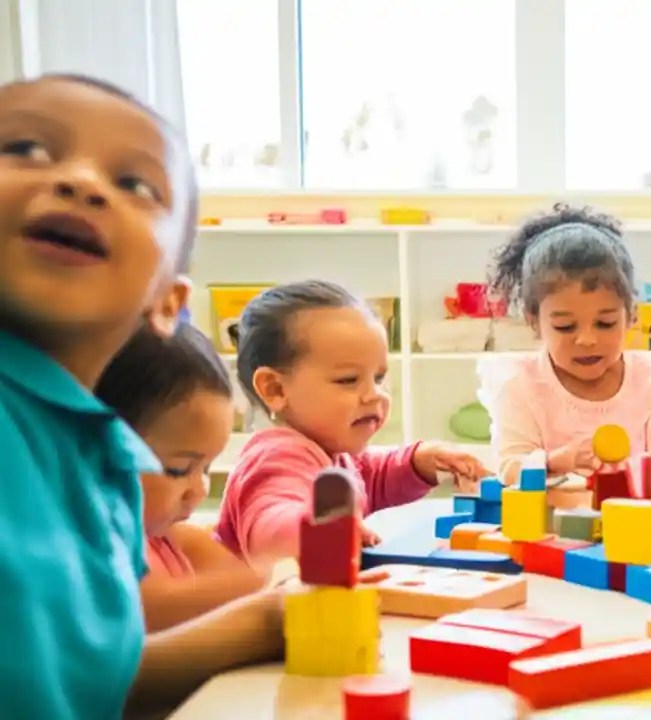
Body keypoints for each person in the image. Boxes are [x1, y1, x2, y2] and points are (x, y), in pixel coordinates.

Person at [0, 73, 284, 718]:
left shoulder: (113, 462)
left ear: (168, 301)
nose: (81, 181)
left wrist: (269, 620)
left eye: (135, 184)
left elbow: (94, 683)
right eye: (25, 149)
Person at [216, 279, 489, 559]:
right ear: (276, 389)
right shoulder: (276, 459)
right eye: (348, 380)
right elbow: (270, 525)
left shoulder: (332, 453)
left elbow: (372, 475)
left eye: (378, 378)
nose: (374, 395)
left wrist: (419, 462)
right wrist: (322, 528)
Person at [477, 203, 651, 505]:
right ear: (534, 321)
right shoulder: (520, 384)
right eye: (565, 327)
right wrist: (554, 462)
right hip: (553, 526)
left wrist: (646, 478)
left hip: (635, 524)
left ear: (631, 316)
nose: (587, 340)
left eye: (606, 323)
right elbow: (510, 468)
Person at [97, 323, 285, 631]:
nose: (199, 491)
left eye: (206, 469)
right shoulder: (100, 544)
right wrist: (271, 580)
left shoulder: (166, 536)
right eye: (179, 469)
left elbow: (240, 561)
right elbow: (152, 606)